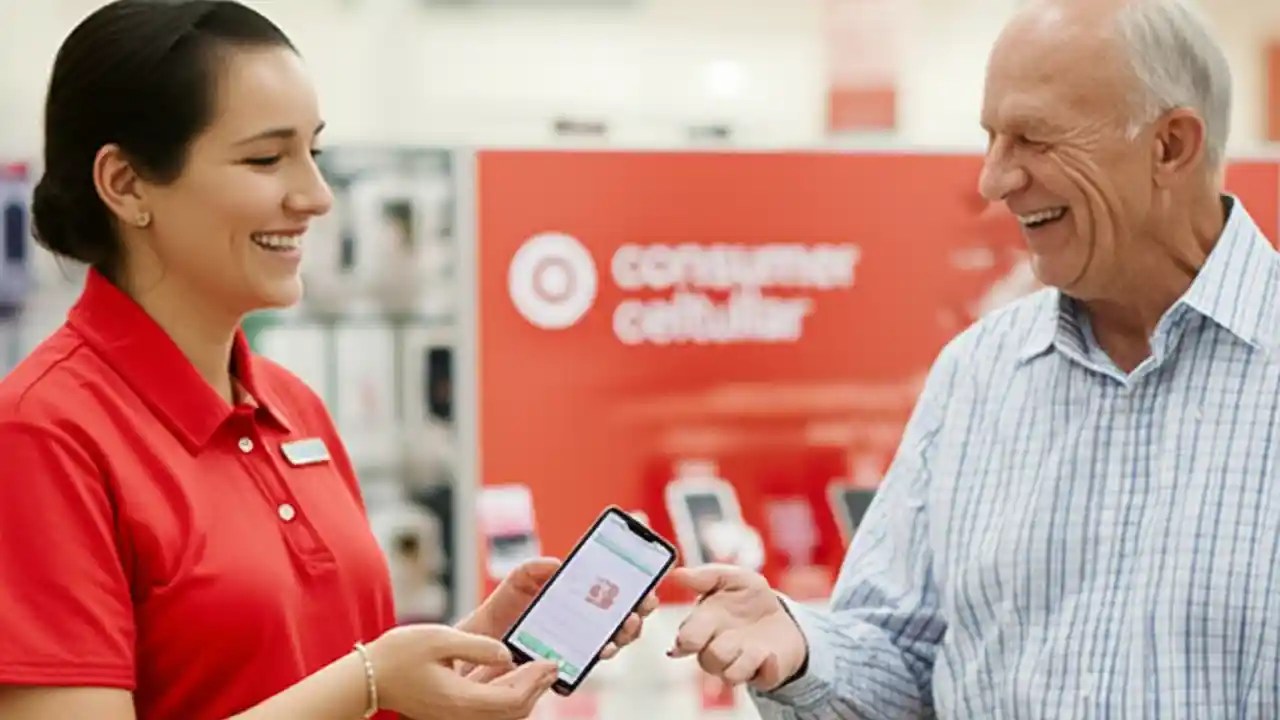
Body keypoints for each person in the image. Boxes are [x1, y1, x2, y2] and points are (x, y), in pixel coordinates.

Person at [0, 2, 654, 719]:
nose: (316, 195)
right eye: (265, 159)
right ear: (125, 184)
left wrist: (466, 658)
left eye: (313, 150)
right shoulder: (42, 434)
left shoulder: (292, 406)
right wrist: (370, 680)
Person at [669, 0, 1280, 717]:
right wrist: (804, 651)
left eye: (1034, 138)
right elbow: (897, 654)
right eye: (992, 138)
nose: (993, 181)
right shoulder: (978, 375)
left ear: (1170, 146)